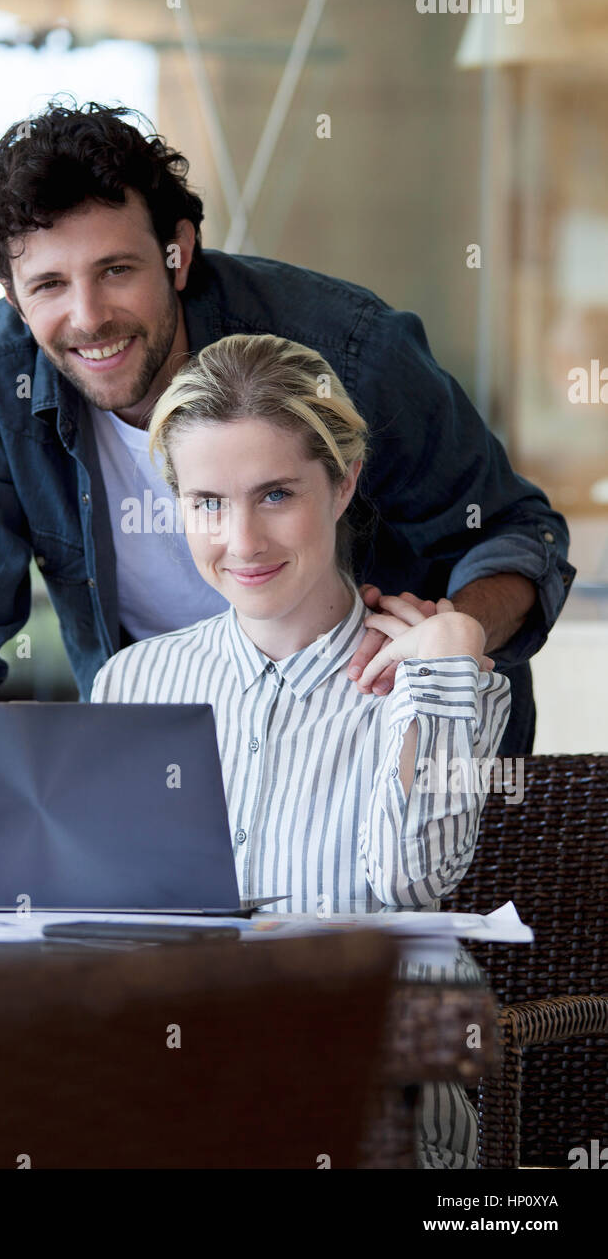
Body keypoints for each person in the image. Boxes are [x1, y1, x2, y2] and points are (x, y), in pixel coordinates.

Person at [0, 99, 574, 754]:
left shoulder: (349, 352)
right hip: (161, 772)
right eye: (49, 286)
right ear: (12, 295)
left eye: (116, 269)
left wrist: (455, 633)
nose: (88, 317)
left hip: (386, 750)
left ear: (178, 251)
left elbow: (517, 534)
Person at [89, 332, 510, 1170]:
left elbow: (411, 880)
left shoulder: (440, 683)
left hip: (367, 1095)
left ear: (343, 483)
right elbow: (107, 926)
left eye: (275, 494)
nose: (240, 540)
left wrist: (446, 669)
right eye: (207, 501)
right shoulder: (132, 680)